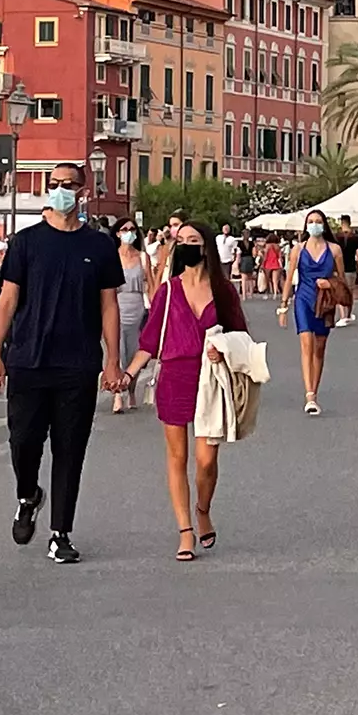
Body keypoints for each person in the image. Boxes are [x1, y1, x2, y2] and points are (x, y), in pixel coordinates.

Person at [0, 163, 127, 565]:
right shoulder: (26, 242)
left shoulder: (99, 246)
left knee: (70, 450)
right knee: (23, 442)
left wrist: (113, 361)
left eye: (68, 185)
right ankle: (28, 495)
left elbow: (109, 305)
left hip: (77, 364)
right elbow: (7, 300)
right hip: (28, 360)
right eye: (54, 185)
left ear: (83, 192)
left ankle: (60, 533)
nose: (60, 191)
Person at [123, 220, 248, 562]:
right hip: (175, 377)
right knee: (177, 458)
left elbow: (242, 336)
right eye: (182, 241)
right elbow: (149, 341)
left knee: (206, 461)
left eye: (194, 240)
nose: (188, 245)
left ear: (207, 245)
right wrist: (128, 374)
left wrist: (222, 347)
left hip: (211, 380)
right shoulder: (169, 290)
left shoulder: (224, 292)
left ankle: (202, 508)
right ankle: (184, 531)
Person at [279, 209, 341, 416]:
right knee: (306, 343)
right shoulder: (298, 249)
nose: (314, 224)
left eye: (318, 221)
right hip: (303, 299)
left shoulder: (335, 250)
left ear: (324, 225)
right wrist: (283, 306)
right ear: (306, 226)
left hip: (324, 302)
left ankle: (315, 387)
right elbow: (289, 278)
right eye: (311, 221)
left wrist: (329, 284)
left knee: (320, 347)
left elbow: (342, 282)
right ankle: (310, 395)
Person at [113, 218, 155, 415]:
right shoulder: (111, 257)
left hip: (138, 307)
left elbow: (152, 285)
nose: (128, 232)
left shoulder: (143, 257)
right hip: (116, 307)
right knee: (118, 352)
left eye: (132, 229)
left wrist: (156, 308)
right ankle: (117, 395)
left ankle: (131, 391)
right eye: (124, 229)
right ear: (117, 233)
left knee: (134, 354)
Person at [333, 216, 358, 328]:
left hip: (338, 268)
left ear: (341, 223)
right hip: (351, 268)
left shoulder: (336, 237)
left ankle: (343, 316)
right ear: (350, 223)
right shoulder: (355, 238)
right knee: (350, 292)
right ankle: (349, 314)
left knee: (340, 292)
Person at [237, 234, 258, 298]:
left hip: (243, 260)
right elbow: (254, 253)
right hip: (250, 259)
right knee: (250, 278)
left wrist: (238, 263)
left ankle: (244, 295)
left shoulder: (239, 243)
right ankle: (251, 294)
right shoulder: (251, 243)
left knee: (243, 278)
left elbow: (238, 254)